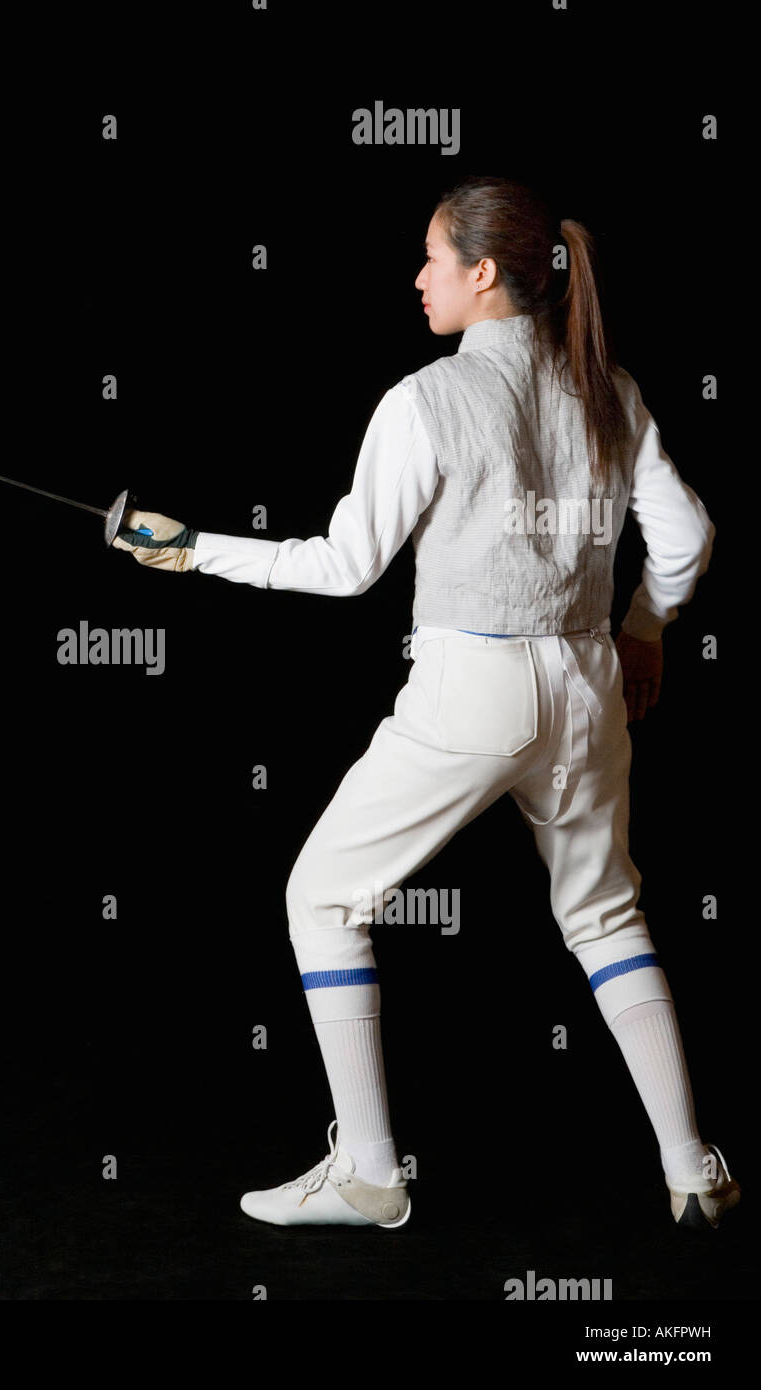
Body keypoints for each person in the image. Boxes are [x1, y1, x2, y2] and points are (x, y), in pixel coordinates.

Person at [112, 175, 738, 1232]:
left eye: (432, 258)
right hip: (587, 689)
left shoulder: (424, 400)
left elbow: (345, 565)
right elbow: (687, 537)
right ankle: (694, 1168)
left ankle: (369, 1171)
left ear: (482, 271)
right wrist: (642, 628)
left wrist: (193, 553)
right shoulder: (609, 387)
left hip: (472, 691)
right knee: (603, 915)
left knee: (320, 898)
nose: (418, 277)